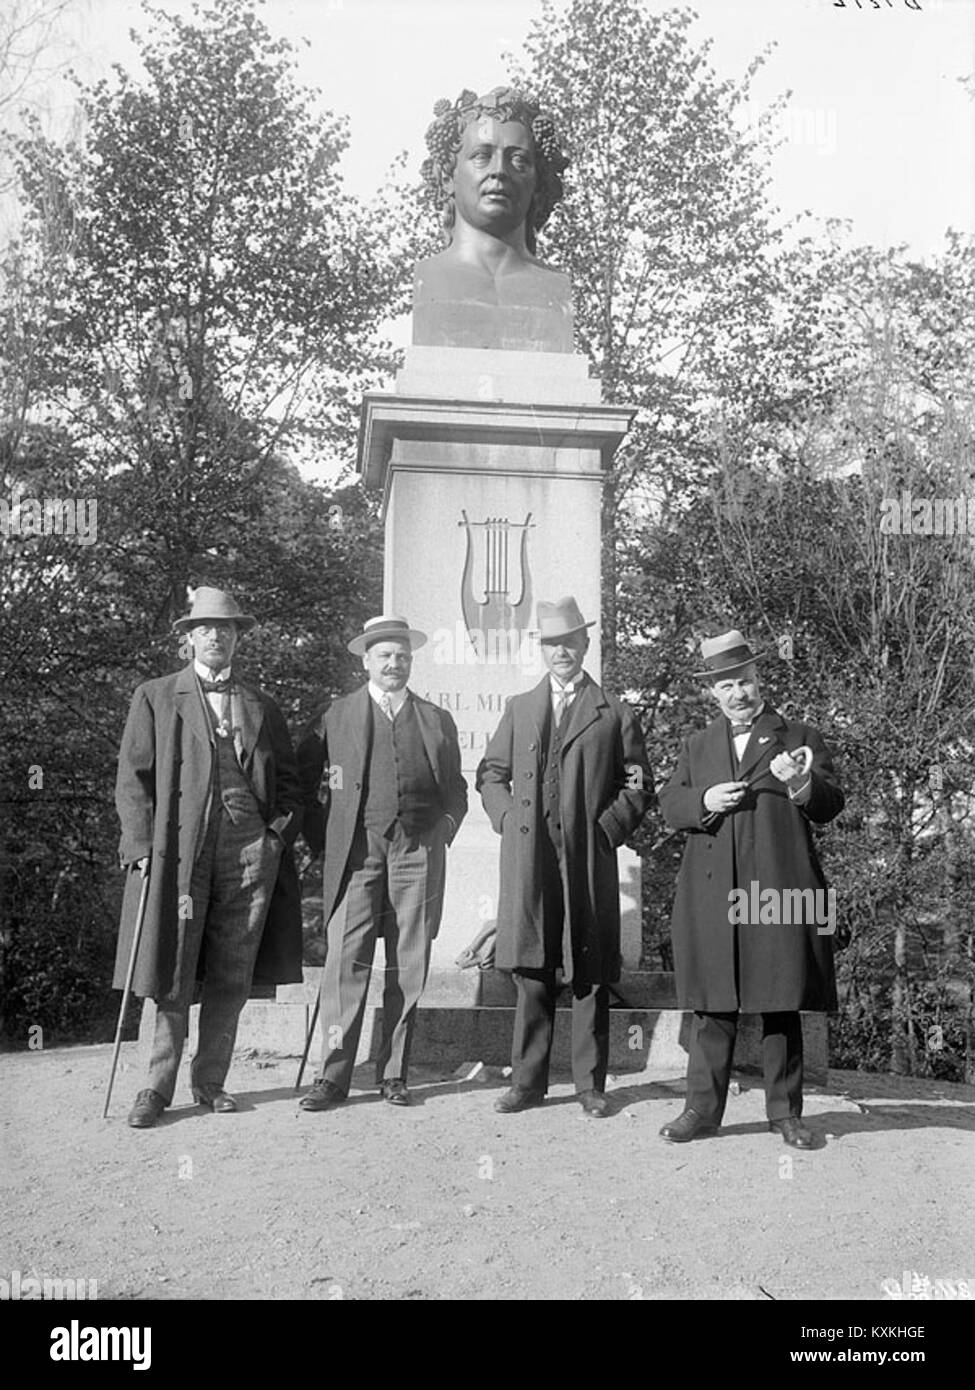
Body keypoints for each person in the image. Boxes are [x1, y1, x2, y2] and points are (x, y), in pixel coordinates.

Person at [114, 587, 303, 1128]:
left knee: (233, 970)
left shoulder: (260, 705)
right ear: (188, 638)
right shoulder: (155, 696)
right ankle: (156, 1086)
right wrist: (142, 844)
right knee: (171, 967)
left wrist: (274, 836)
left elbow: (289, 783)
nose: (216, 636)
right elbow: (134, 780)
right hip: (179, 852)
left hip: (249, 853)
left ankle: (211, 1081)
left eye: (226, 629)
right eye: (205, 628)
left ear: (237, 638)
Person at [658, 630, 844, 1149]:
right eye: (726, 685)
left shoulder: (798, 737)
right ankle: (701, 1110)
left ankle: (786, 1114)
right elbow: (670, 804)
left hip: (776, 889)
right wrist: (704, 799)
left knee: (779, 1000)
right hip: (713, 889)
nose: (738, 693)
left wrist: (799, 784)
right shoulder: (696, 746)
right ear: (712, 693)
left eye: (744, 680)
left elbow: (831, 805)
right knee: (713, 1004)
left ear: (759, 679)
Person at [476, 597, 652, 1118]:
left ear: (585, 646)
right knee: (531, 968)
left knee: (589, 970)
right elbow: (490, 773)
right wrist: (507, 819)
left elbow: (638, 784)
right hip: (529, 857)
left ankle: (589, 1086)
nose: (562, 652)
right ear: (543, 650)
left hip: (586, 856)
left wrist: (606, 831)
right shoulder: (521, 708)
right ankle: (527, 1083)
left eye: (570, 642)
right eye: (552, 644)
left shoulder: (614, 712)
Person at [296, 615, 468, 1110]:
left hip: (417, 849)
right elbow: (304, 785)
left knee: (408, 963)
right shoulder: (335, 715)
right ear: (366, 660)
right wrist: (326, 842)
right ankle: (332, 1077)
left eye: (403, 656)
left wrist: (446, 829)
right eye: (385, 656)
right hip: (357, 851)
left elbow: (455, 787)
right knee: (344, 964)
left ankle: (394, 1073)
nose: (395, 664)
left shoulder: (436, 719)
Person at [413, 86, 572, 351]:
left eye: (519, 160)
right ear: (446, 177)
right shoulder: (429, 277)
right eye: (481, 156)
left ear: (537, 180)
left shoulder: (554, 288)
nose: (499, 171)